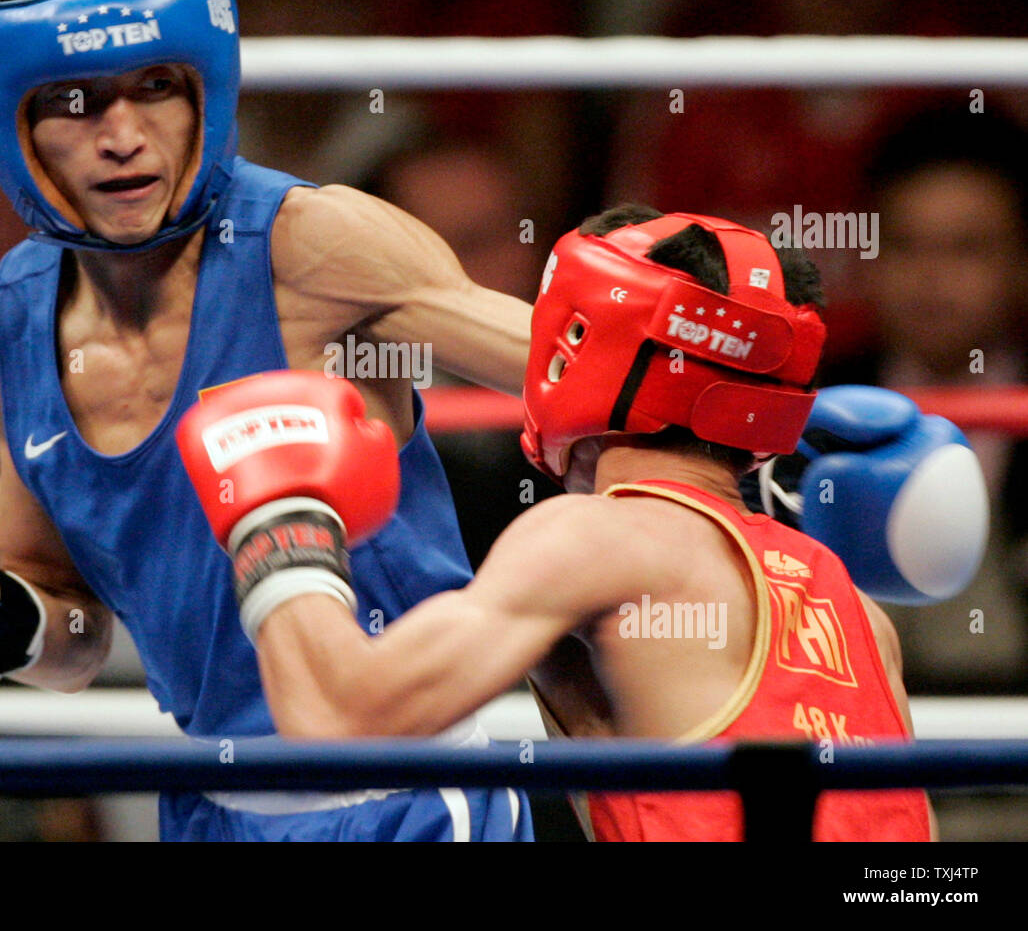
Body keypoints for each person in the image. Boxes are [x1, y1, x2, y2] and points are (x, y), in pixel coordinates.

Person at [0, 0, 979, 843]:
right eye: (74, 104)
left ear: (208, 90)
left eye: (154, 90)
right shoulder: (8, 325)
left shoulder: (317, 242)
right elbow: (74, 634)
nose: (122, 135)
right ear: (13, 127)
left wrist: (809, 426)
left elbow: (586, 361)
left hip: (411, 768)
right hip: (215, 792)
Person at [176, 207, 989, 841]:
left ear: (584, 347)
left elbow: (338, 723)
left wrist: (281, 525)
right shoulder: (854, 605)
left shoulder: (593, 535)